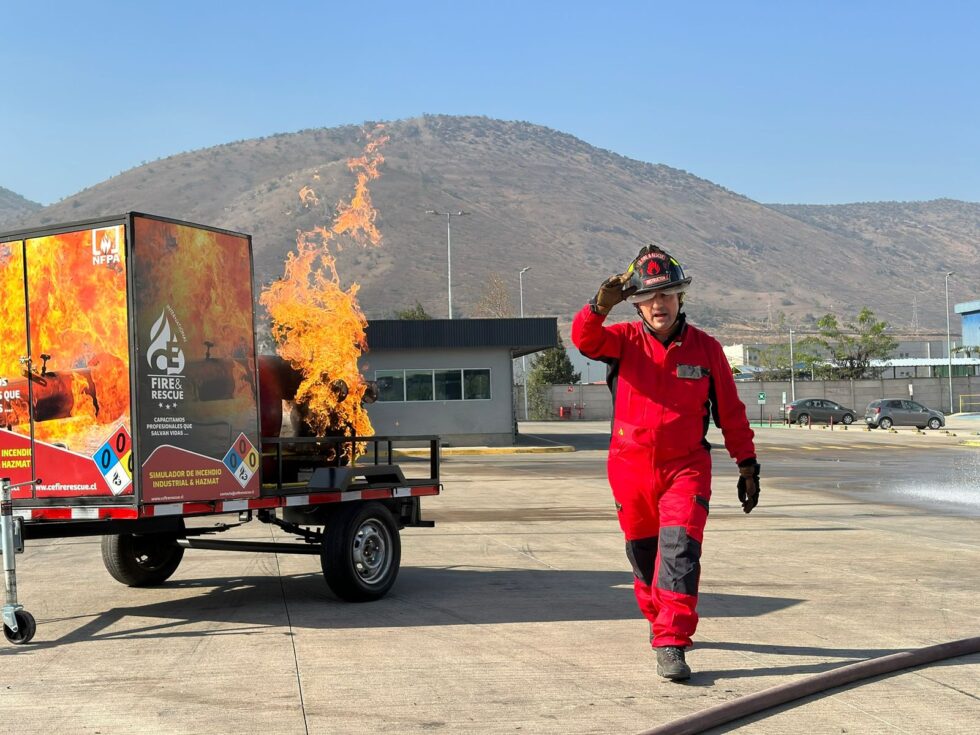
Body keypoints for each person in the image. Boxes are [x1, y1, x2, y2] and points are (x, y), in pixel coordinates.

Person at [571, 243, 760, 681]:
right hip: (629, 468)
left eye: (667, 294)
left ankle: (672, 640)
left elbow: (731, 413)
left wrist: (747, 464)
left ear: (680, 297)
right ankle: (660, 619)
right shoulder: (621, 341)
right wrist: (598, 307)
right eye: (649, 296)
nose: (660, 304)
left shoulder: (707, 350)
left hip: (686, 468)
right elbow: (584, 340)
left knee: (680, 552)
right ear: (636, 304)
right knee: (644, 557)